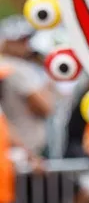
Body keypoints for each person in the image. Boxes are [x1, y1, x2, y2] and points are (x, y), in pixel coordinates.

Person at [0, 16, 56, 155]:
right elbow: (44, 108)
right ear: (7, 42)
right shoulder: (15, 68)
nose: (26, 45)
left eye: (26, 40)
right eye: (20, 41)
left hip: (13, 147)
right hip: (24, 148)